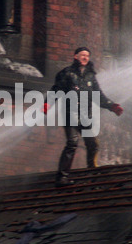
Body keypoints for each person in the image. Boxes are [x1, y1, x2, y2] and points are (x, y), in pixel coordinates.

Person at [44, 47, 124, 187]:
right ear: (76, 56)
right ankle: (62, 178)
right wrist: (48, 103)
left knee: (92, 144)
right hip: (70, 115)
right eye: (83, 55)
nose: (85, 58)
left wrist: (112, 106)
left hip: (85, 116)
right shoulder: (67, 73)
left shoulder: (90, 76)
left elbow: (98, 95)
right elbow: (56, 89)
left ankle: (92, 173)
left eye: (87, 55)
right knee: (72, 143)